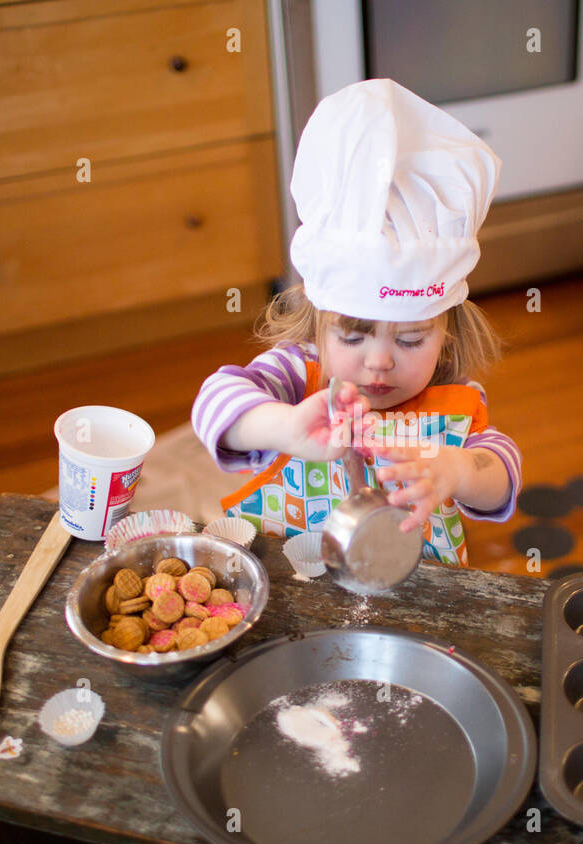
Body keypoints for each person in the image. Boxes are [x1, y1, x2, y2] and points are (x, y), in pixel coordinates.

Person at [191, 79, 521, 567]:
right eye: (351, 336)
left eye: (411, 339)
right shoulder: (298, 376)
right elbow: (213, 404)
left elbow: (502, 476)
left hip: (416, 594)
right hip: (295, 587)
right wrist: (282, 427)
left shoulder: (456, 401)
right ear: (317, 321)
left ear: (447, 331)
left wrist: (459, 471)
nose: (380, 360)